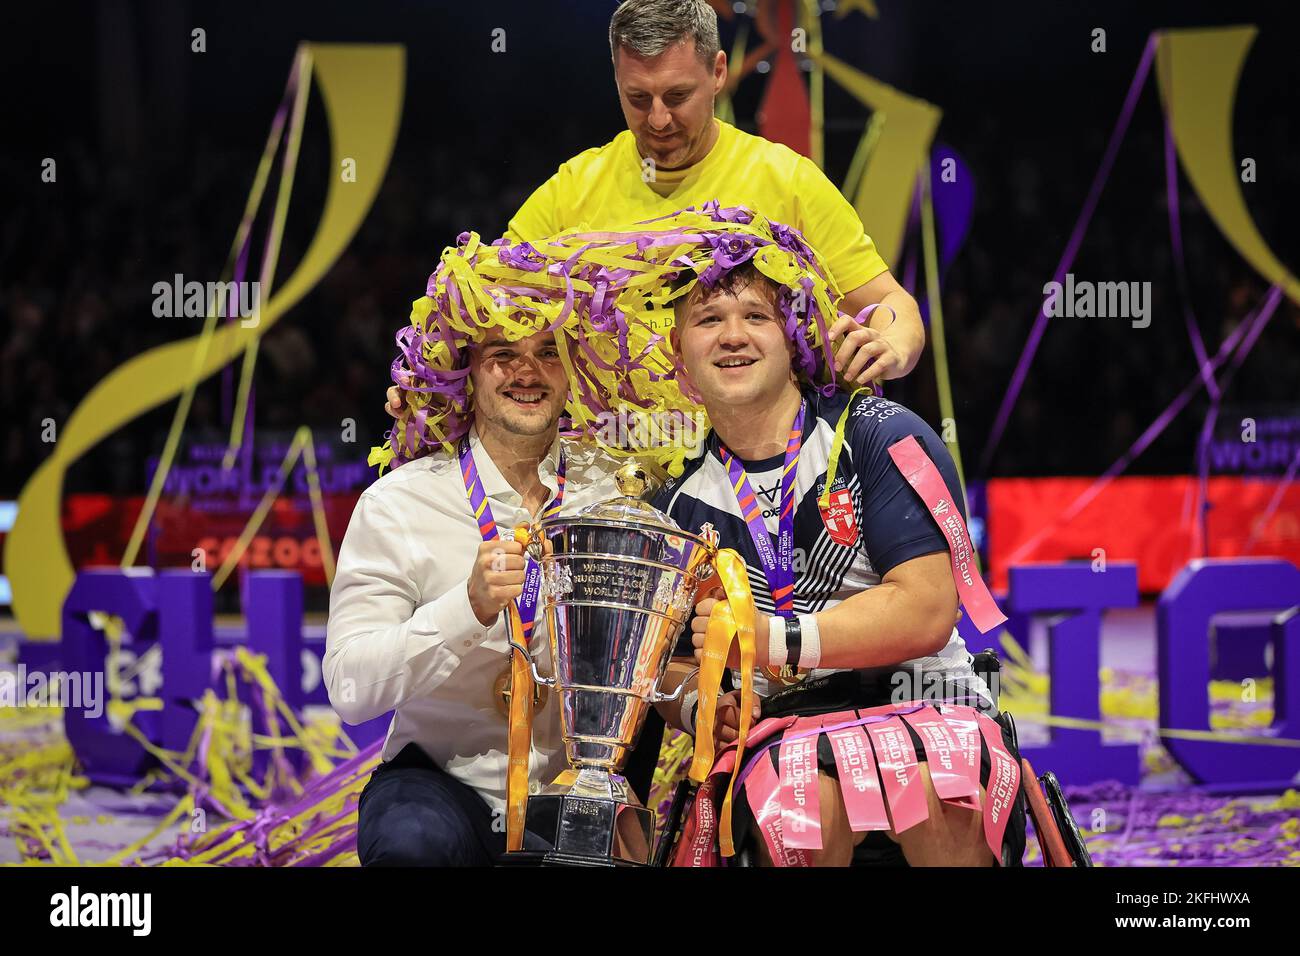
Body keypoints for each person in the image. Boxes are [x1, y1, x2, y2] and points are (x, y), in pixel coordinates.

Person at [649, 257, 1027, 867]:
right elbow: (667, 666)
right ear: (677, 349)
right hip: (781, 727)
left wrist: (771, 639)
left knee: (937, 788)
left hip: (923, 698)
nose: (733, 335)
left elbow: (927, 610)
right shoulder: (672, 498)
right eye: (708, 319)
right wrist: (695, 704)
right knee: (803, 805)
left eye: (756, 316)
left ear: (793, 333)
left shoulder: (878, 433)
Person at [385, 0, 924, 425]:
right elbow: (485, 311)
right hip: (608, 470)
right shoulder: (574, 189)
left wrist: (893, 346)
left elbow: (889, 305)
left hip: (756, 476)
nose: (659, 119)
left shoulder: (786, 179)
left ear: (718, 72)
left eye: (677, 95)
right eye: (637, 98)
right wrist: (432, 376)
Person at [326, 322, 629, 865]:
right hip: (439, 786)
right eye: (503, 354)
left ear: (573, 370)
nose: (528, 371)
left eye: (546, 353)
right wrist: (467, 608)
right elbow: (351, 688)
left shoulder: (614, 495)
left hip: (574, 790)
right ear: (465, 372)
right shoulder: (400, 503)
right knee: (412, 849)